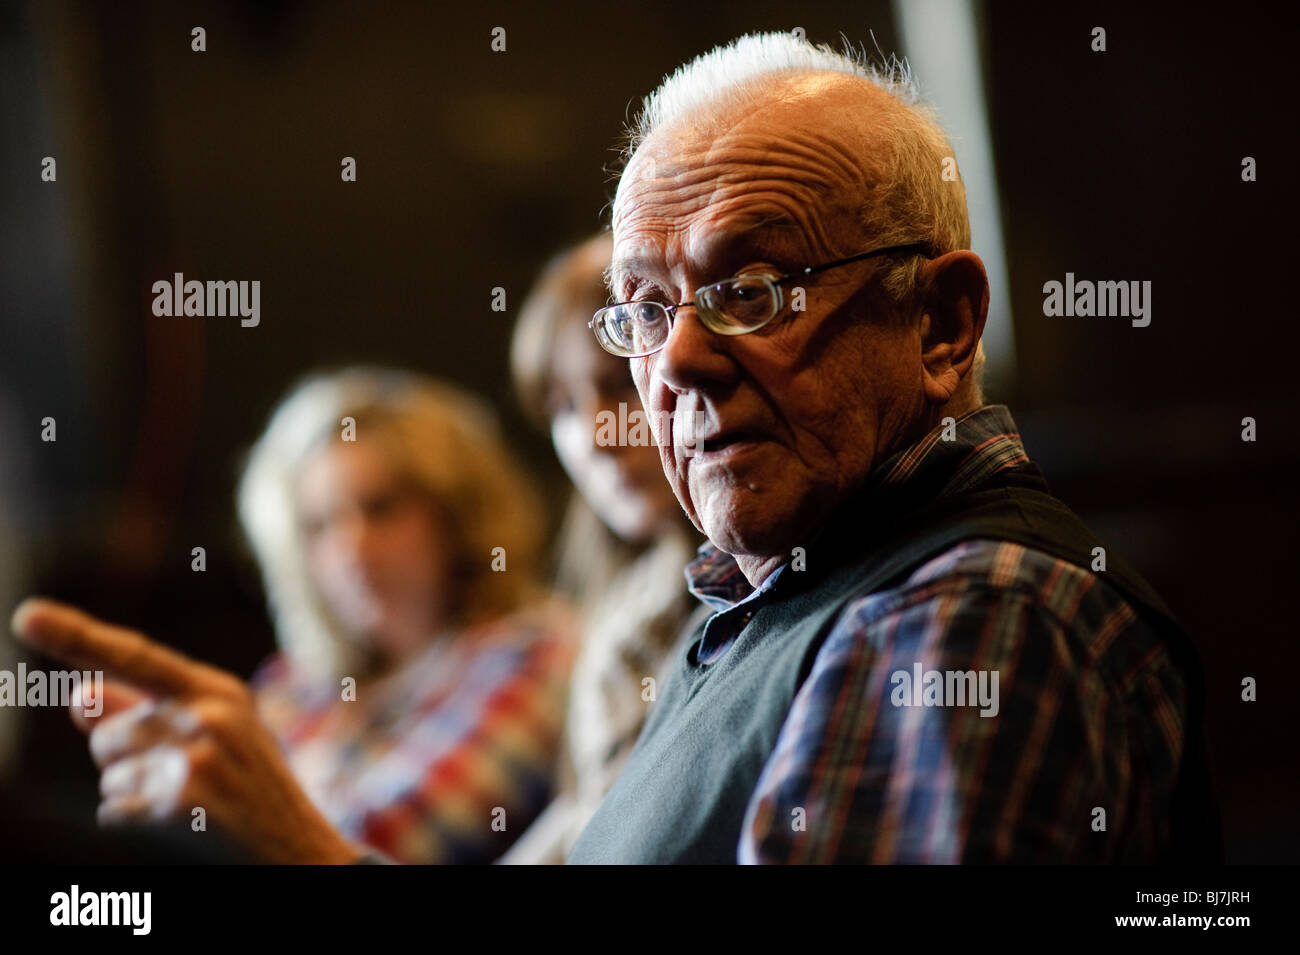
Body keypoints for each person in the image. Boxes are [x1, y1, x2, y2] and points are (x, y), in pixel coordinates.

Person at [562, 32, 1220, 863]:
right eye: (648, 310)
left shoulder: (969, 617)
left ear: (941, 323)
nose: (678, 362)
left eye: (752, 292)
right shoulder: (759, 600)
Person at [11, 368, 575, 864]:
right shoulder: (299, 679)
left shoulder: (533, 651)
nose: (352, 547)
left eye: (380, 509)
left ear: (458, 515)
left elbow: (391, 837)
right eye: (320, 525)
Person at [499, 232, 704, 863]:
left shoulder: (757, 591)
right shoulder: (623, 602)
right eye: (561, 404)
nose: (593, 435)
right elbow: (582, 816)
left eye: (617, 383)